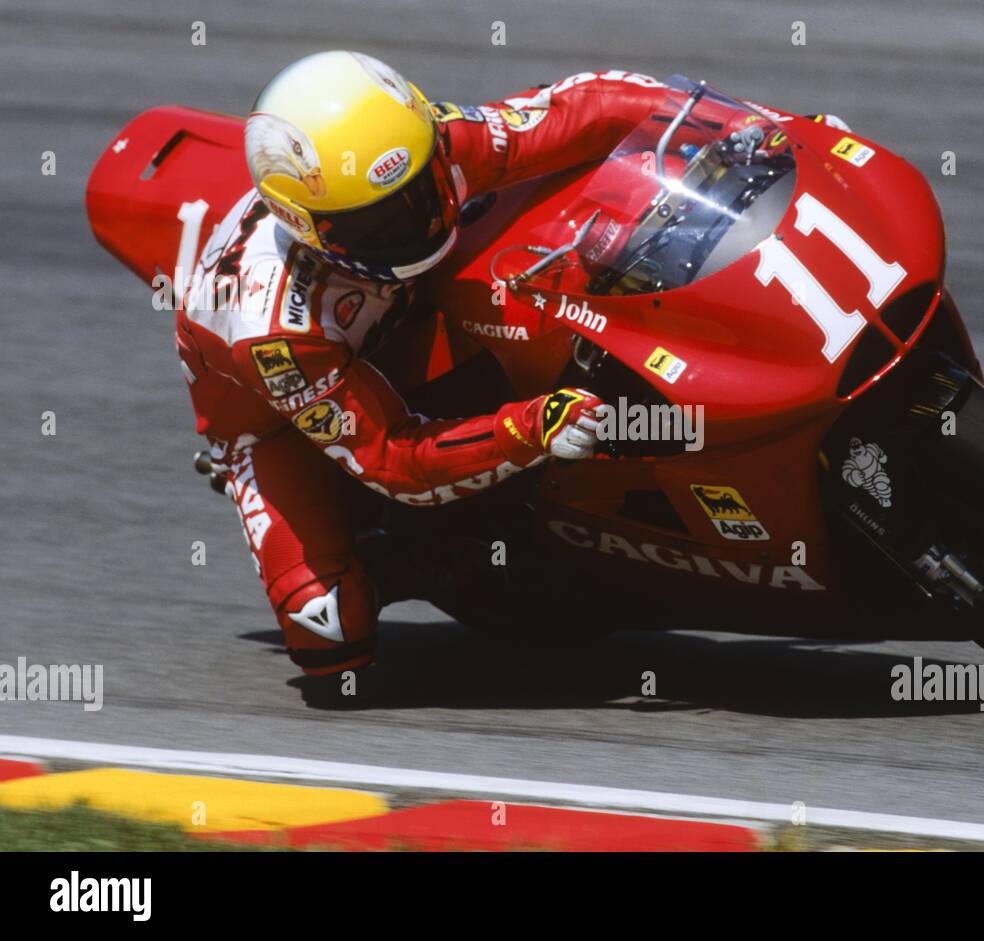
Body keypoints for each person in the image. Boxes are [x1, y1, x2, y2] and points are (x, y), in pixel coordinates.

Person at [176, 50, 840, 677]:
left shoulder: (439, 144)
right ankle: (410, 558)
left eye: (419, 186)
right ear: (314, 230)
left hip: (403, 307)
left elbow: (592, 106)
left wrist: (762, 126)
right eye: (382, 222)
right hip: (278, 415)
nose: (419, 220)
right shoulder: (278, 333)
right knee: (329, 632)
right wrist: (531, 428)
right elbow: (394, 458)